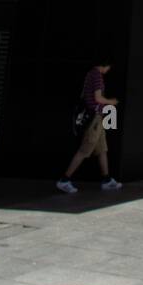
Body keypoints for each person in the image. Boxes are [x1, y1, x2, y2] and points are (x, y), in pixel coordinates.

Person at [57, 60, 122, 193]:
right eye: (108, 66)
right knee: (84, 150)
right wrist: (111, 102)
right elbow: (98, 98)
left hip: (98, 118)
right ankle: (64, 180)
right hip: (95, 120)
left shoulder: (91, 74)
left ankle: (107, 180)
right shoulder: (96, 75)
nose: (108, 70)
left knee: (102, 149)